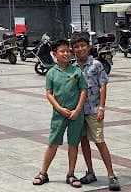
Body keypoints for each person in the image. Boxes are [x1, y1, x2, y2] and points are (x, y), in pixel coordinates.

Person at [33, 39, 87, 188]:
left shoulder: (76, 71)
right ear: (55, 54)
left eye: (68, 51)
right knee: (53, 143)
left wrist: (77, 110)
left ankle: (71, 173)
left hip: (76, 115)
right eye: (62, 51)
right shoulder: (51, 73)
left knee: (73, 144)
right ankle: (43, 172)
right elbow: (49, 94)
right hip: (59, 115)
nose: (66, 53)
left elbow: (83, 90)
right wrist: (59, 108)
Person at [71, 33, 120, 191]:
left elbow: (103, 85)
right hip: (79, 111)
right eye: (77, 47)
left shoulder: (97, 65)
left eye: (82, 46)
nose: (80, 49)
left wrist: (101, 108)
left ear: (89, 47)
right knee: (84, 142)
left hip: (93, 109)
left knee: (99, 141)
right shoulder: (73, 67)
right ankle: (90, 172)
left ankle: (111, 175)